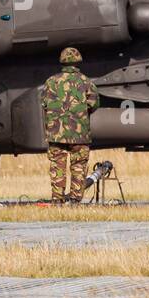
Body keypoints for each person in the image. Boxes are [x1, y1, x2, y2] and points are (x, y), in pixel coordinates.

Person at [39, 47, 99, 203]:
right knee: (78, 166)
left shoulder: (50, 82)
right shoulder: (86, 82)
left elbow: (43, 103)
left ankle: (57, 200)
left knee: (57, 167)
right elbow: (94, 105)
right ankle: (74, 201)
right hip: (79, 134)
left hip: (56, 133)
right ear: (78, 61)